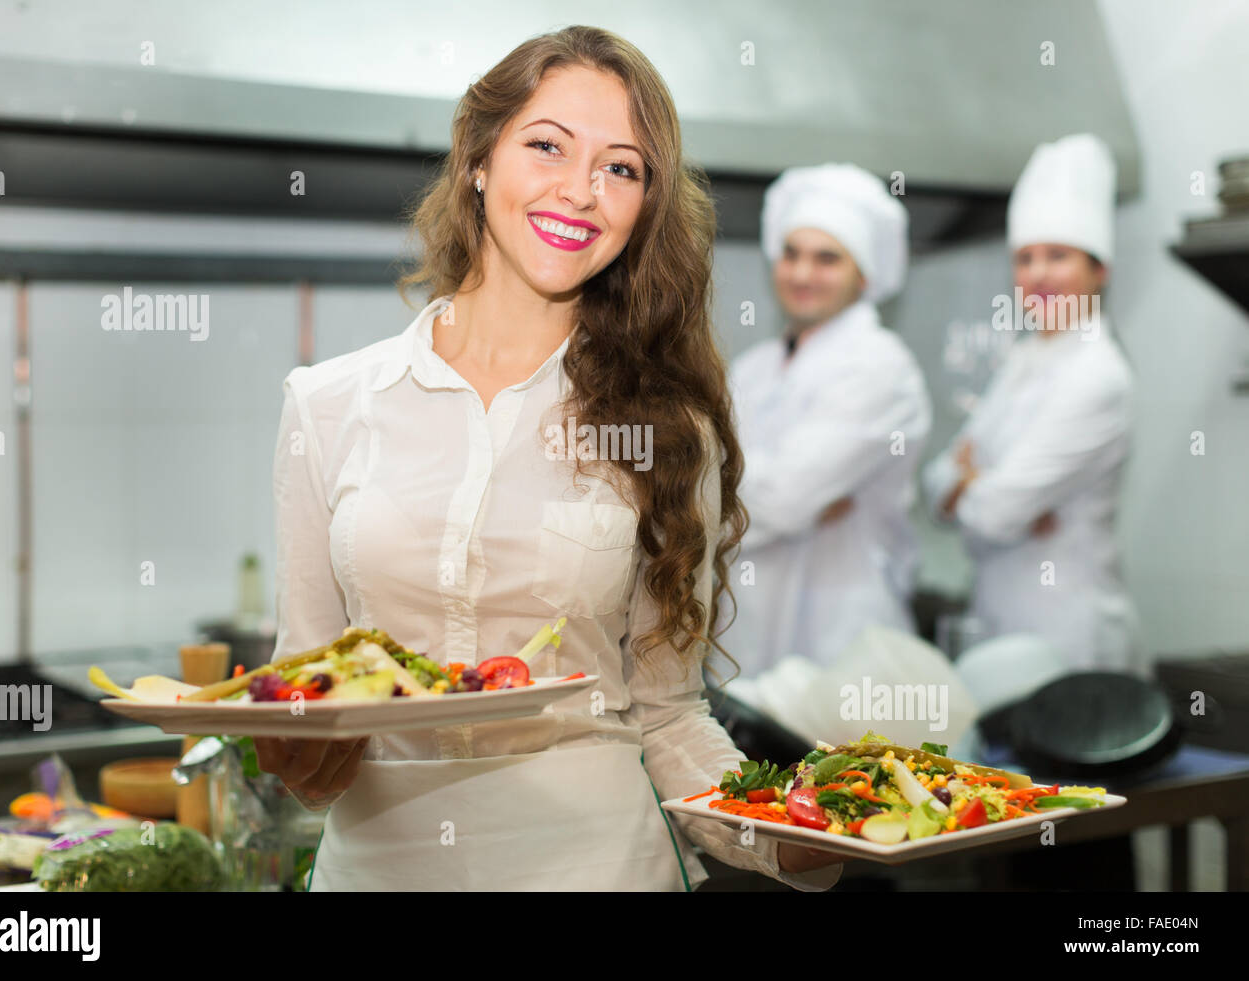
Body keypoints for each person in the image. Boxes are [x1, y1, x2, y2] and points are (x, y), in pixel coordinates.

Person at [253, 26, 842, 891]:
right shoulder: (328, 404)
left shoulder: (668, 428)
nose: (581, 191)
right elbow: (302, 685)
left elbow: (669, 715)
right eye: (547, 147)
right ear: (478, 160)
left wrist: (790, 838)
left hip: (600, 867)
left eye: (622, 168)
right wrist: (296, 753)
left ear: (645, 207)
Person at [921, 133, 1141, 673]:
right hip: (995, 618)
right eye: (1025, 258)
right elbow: (932, 486)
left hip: (1068, 634)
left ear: (1100, 270)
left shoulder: (1098, 374)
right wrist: (974, 486)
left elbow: (995, 515)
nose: (1038, 275)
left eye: (1058, 256)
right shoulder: (1023, 360)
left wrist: (973, 483)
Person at [727, 164, 932, 674]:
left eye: (826, 259)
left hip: (843, 638)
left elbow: (779, 501)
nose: (801, 274)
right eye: (790, 254)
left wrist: (721, 481)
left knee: (848, 753)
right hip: (746, 630)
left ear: (863, 275)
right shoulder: (752, 369)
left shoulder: (881, 367)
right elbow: (690, 482)